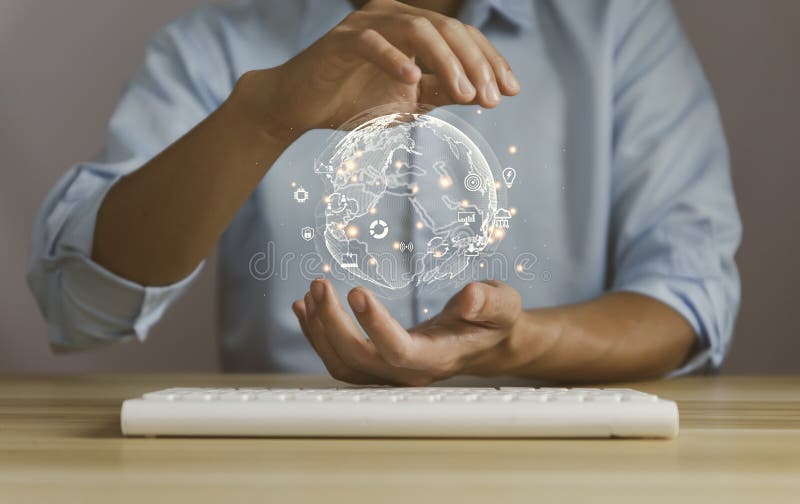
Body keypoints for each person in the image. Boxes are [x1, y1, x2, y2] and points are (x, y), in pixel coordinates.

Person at [27, 0, 741, 385]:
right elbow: (83, 305)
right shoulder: (216, 43)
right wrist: (263, 117)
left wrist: (514, 345)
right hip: (284, 474)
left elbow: (688, 296)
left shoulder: (617, 23)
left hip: (561, 475)